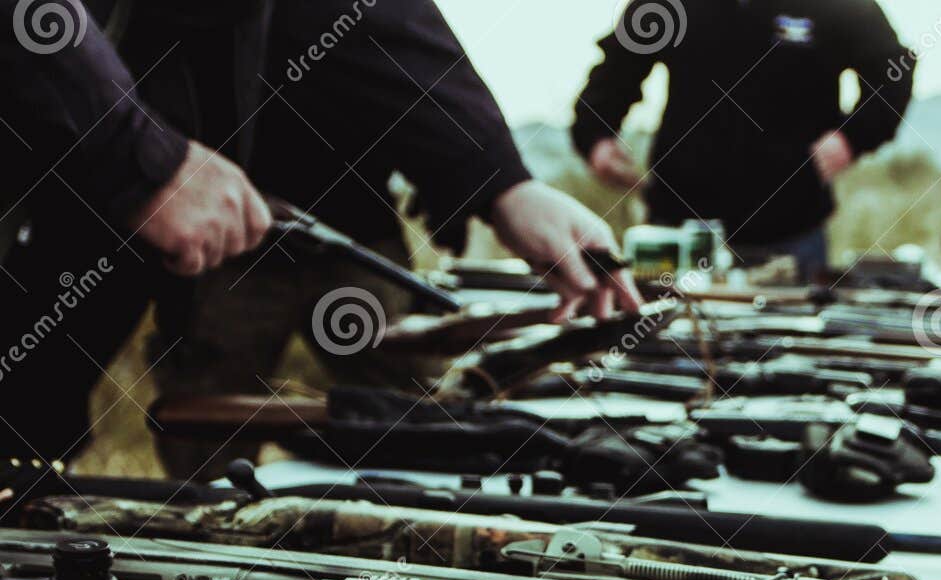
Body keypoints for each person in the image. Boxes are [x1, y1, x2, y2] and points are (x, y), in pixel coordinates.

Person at [0, 0, 637, 467]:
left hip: (316, 227)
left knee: (410, 412)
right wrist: (138, 156)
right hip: (217, 257)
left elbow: (376, 20)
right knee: (205, 440)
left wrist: (500, 179)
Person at [572, 0, 914, 280]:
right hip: (678, 229)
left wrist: (851, 139)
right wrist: (596, 138)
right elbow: (616, 69)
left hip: (790, 229)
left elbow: (893, 68)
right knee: (665, 348)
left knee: (787, 356)